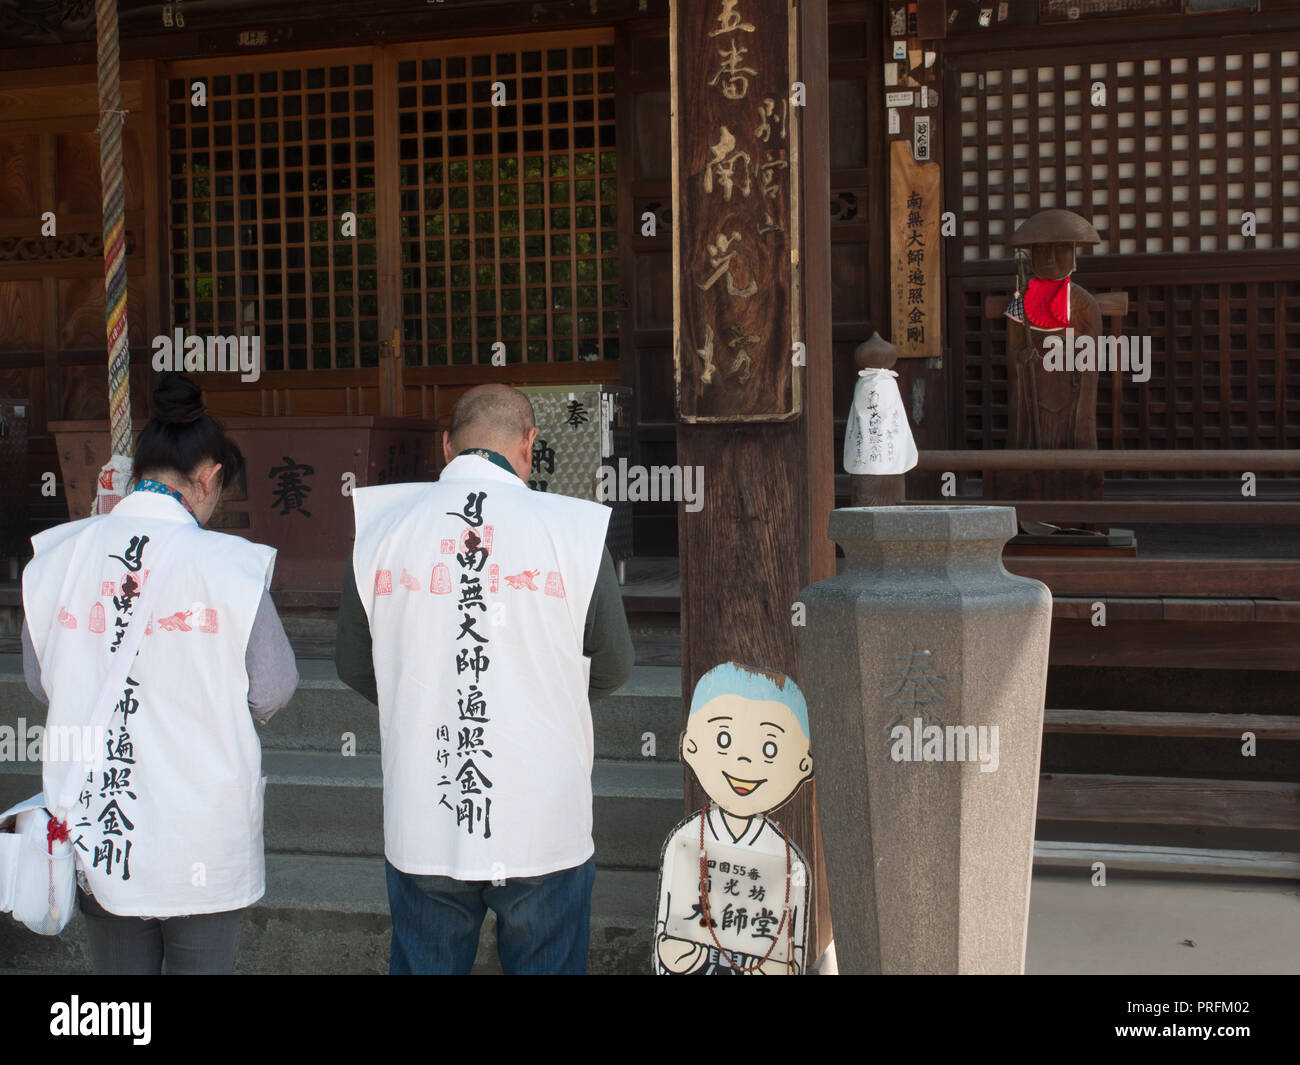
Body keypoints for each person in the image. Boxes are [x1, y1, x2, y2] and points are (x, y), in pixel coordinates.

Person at [336, 383, 634, 975]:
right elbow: (615, 665)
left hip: (426, 810)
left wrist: (422, 695)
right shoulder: (573, 531)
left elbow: (352, 664)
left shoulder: (380, 529)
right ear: (529, 445)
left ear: (446, 447)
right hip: (543, 818)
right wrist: (546, 696)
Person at [20, 372, 298, 974]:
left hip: (100, 821)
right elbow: (274, 686)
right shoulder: (230, 566)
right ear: (209, 478)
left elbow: (43, 682)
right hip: (200, 825)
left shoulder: (59, 557)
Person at [654, 662, 813, 975]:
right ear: (690, 746)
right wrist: (672, 951)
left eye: (770, 747)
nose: (744, 759)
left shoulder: (786, 857)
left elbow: (791, 946)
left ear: (803, 765)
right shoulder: (686, 841)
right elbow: (667, 926)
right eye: (723, 739)